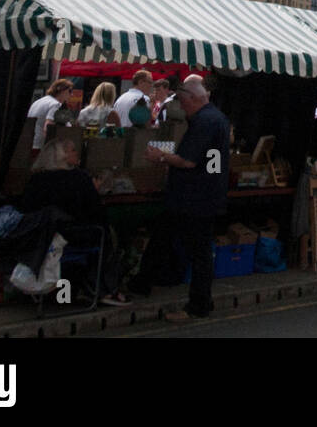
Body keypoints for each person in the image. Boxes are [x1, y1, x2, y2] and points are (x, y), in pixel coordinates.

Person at [130, 79, 230, 321]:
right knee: (166, 238)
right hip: (201, 194)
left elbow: (189, 161)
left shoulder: (205, 122)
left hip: (194, 197)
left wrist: (161, 156)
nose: (182, 108)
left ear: (193, 99)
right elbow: (209, 160)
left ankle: (198, 305)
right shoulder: (217, 118)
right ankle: (145, 282)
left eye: (184, 103)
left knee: (197, 252)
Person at [21, 139, 130, 305]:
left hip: (40, 238)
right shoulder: (78, 178)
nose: (76, 153)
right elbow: (96, 212)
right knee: (106, 234)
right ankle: (103, 288)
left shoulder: (35, 180)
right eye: (72, 150)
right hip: (72, 237)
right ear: (62, 156)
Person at [27, 79, 74, 150]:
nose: (71, 94)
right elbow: (48, 128)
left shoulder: (38, 102)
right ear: (61, 90)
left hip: (31, 144)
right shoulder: (56, 104)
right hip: (42, 147)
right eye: (70, 91)